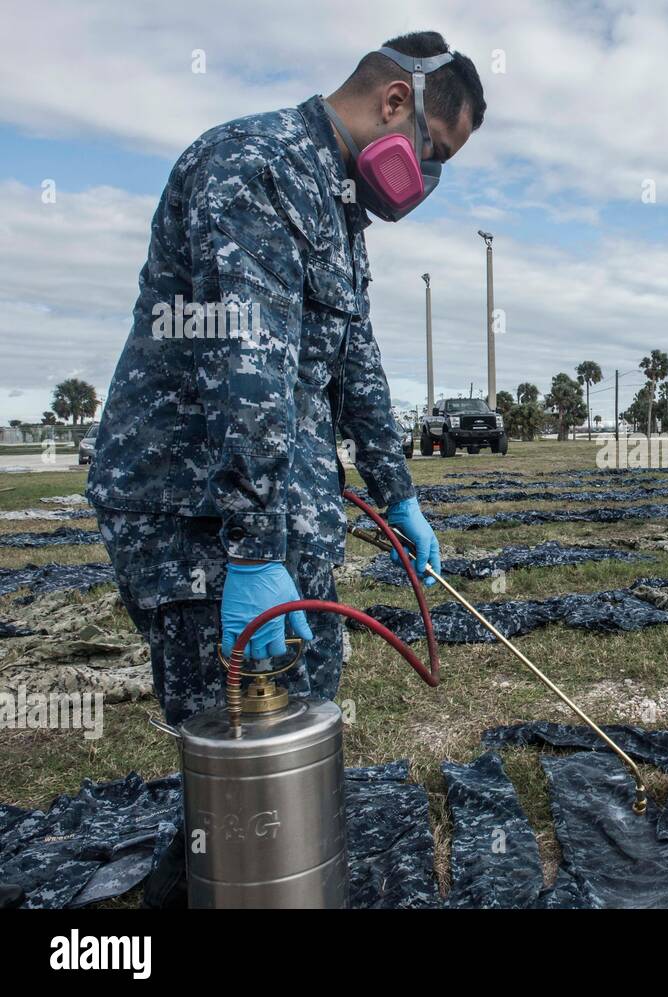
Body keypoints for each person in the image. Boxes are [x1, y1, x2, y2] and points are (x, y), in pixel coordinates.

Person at [88, 31, 486, 727]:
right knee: (235, 740)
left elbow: (354, 360)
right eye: (436, 154)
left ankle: (296, 841)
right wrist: (250, 549)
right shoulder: (256, 167)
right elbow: (248, 367)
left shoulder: (338, 207)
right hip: (200, 517)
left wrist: (398, 495)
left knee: (304, 722)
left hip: (280, 519)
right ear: (397, 102)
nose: (428, 180)